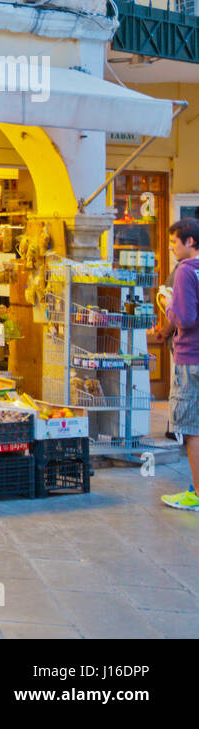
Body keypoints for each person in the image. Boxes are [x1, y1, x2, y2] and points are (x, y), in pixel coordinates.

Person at [161, 217, 199, 510]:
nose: (172, 247)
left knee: (192, 428)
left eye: (175, 241)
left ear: (190, 242)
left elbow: (184, 319)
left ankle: (197, 494)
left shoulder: (186, 271)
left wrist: (167, 305)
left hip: (191, 358)